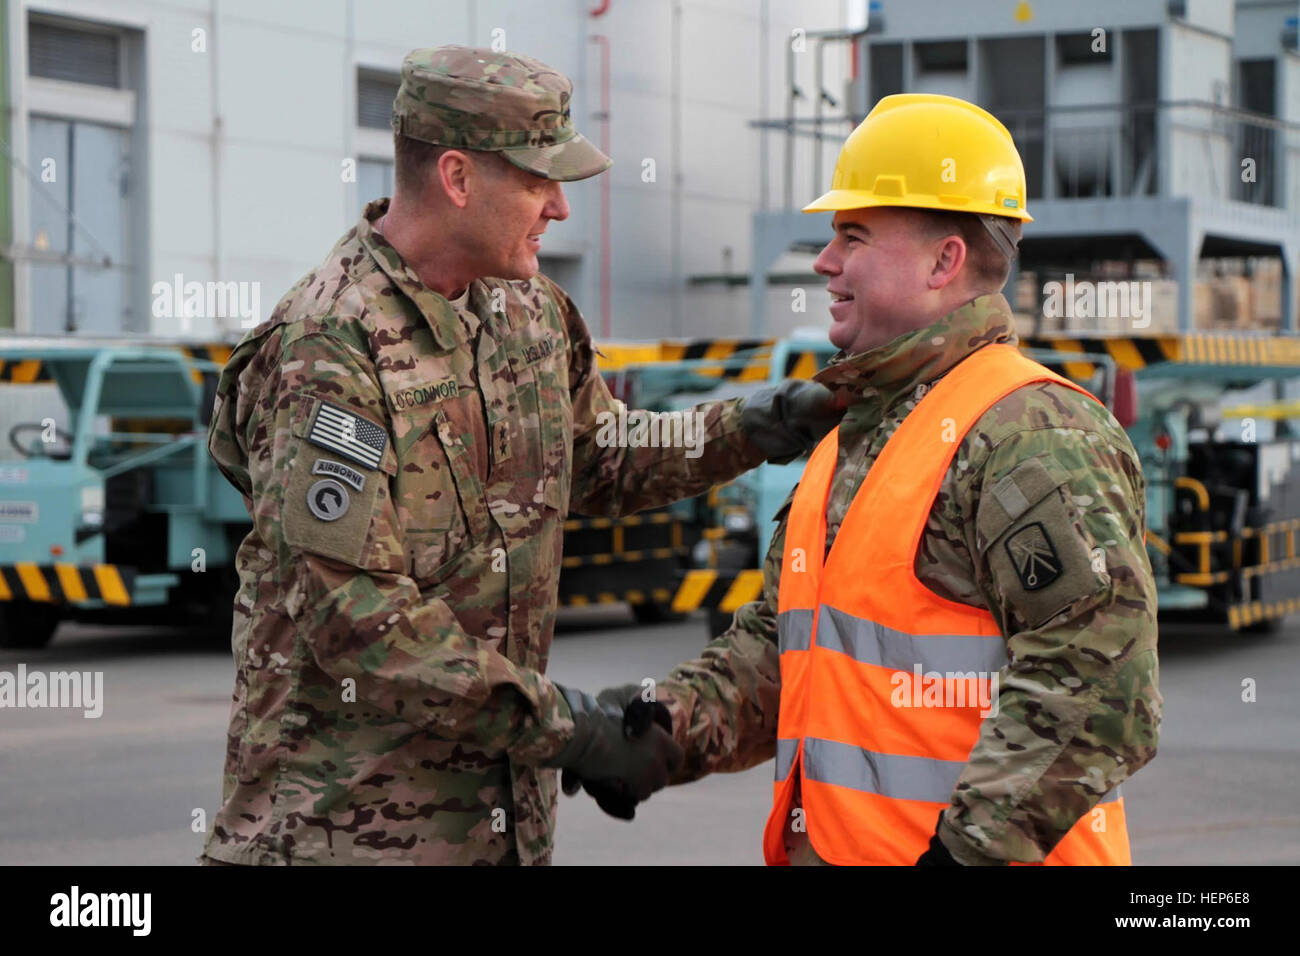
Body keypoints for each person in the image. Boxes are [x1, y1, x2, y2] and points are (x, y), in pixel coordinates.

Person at [199, 45, 842, 866]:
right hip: (343, 834)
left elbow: (598, 454)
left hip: (501, 830)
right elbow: (356, 619)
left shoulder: (530, 312)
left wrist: (758, 425)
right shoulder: (328, 346)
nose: (560, 210)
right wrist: (574, 730)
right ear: (459, 178)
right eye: (540, 181)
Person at [592, 93, 1162, 865]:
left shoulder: (1029, 433)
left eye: (852, 236)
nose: (824, 262)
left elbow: (1098, 689)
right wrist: (667, 726)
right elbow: (789, 647)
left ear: (944, 260)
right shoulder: (858, 427)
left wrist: (968, 855)